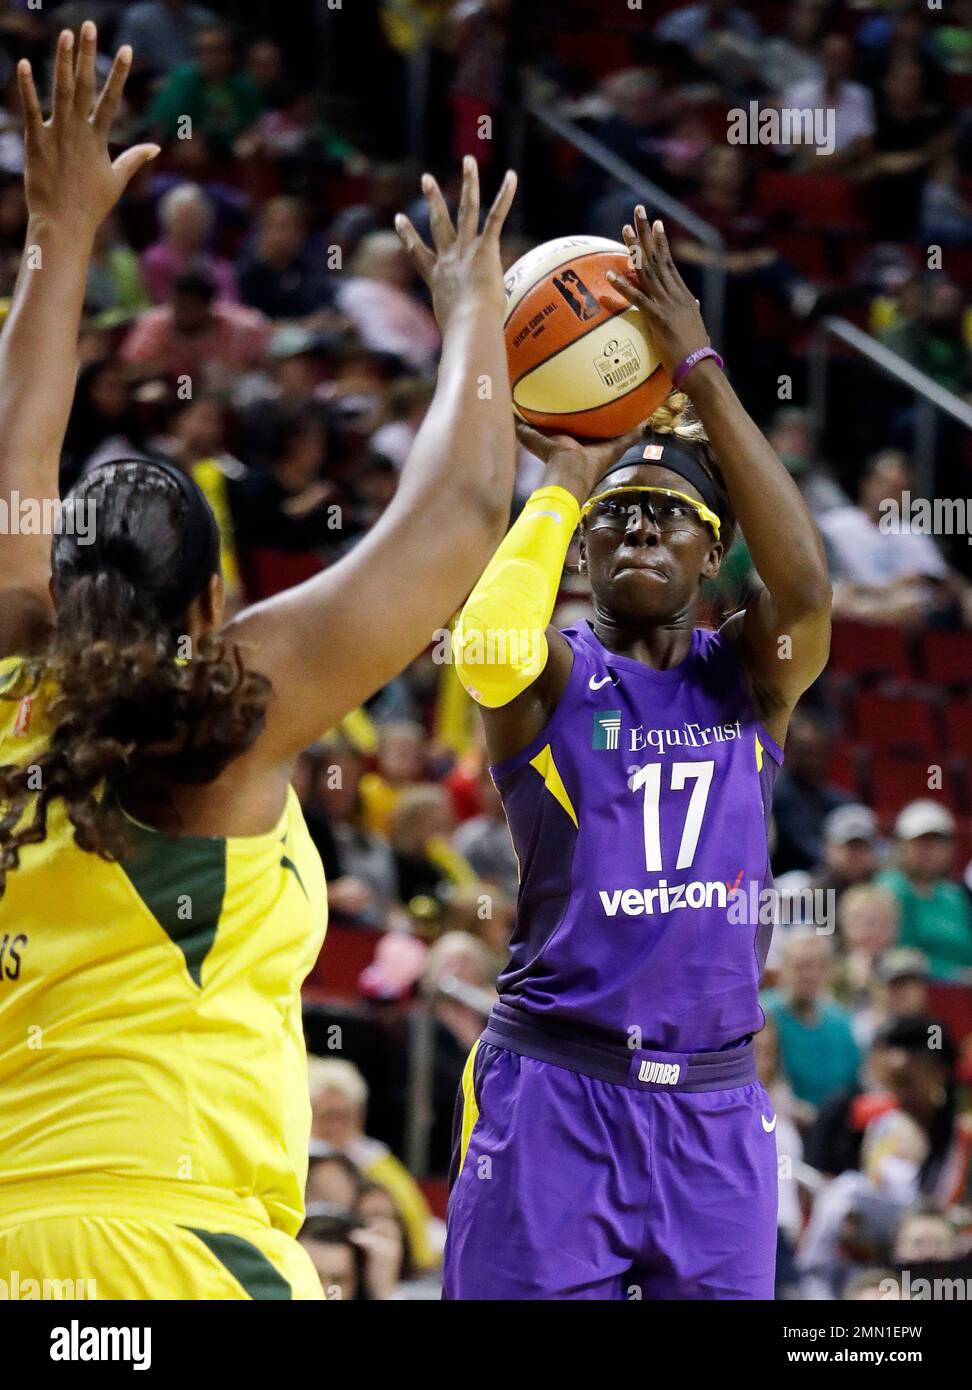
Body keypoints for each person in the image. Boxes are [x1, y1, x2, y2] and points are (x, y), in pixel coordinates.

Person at [0, 21, 518, 1300]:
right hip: (180, 1251)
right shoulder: (217, 712)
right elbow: (455, 515)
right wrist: (476, 314)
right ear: (215, 597)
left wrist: (57, 233)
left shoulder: (15, 678)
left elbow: (18, 448)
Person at [444, 209, 832, 1299]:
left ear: (713, 551)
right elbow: (483, 646)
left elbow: (805, 587)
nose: (641, 533)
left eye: (669, 518)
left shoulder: (747, 678)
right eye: (616, 520)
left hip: (712, 1113)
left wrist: (700, 369)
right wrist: (568, 477)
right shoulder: (554, 673)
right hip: (555, 1088)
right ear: (581, 549)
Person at [878, 801, 972, 981]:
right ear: (901, 845)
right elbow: (902, 955)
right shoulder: (891, 890)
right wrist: (956, 975)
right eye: (920, 843)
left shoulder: (954, 895)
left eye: (937, 842)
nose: (928, 850)